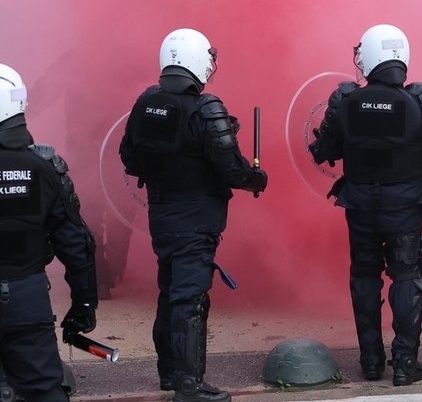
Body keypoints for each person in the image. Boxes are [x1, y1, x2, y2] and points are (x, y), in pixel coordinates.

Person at [308, 25, 422, 387]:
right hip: (405, 206)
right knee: (407, 276)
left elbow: (324, 151)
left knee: (365, 277)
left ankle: (370, 361)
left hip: (360, 204)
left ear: (367, 59)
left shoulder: (347, 100)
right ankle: (404, 363)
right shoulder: (419, 98)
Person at [119, 29, 267, 402]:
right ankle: (189, 385)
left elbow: (128, 157)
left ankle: (170, 373)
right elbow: (232, 170)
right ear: (198, 62)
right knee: (189, 299)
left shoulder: (146, 103)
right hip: (197, 218)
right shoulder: (205, 108)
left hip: (162, 215)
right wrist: (256, 179)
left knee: (171, 292)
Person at [0, 64, 97, 402]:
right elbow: (76, 245)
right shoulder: (46, 169)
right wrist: (83, 304)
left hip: (27, 292)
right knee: (44, 390)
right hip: (27, 297)